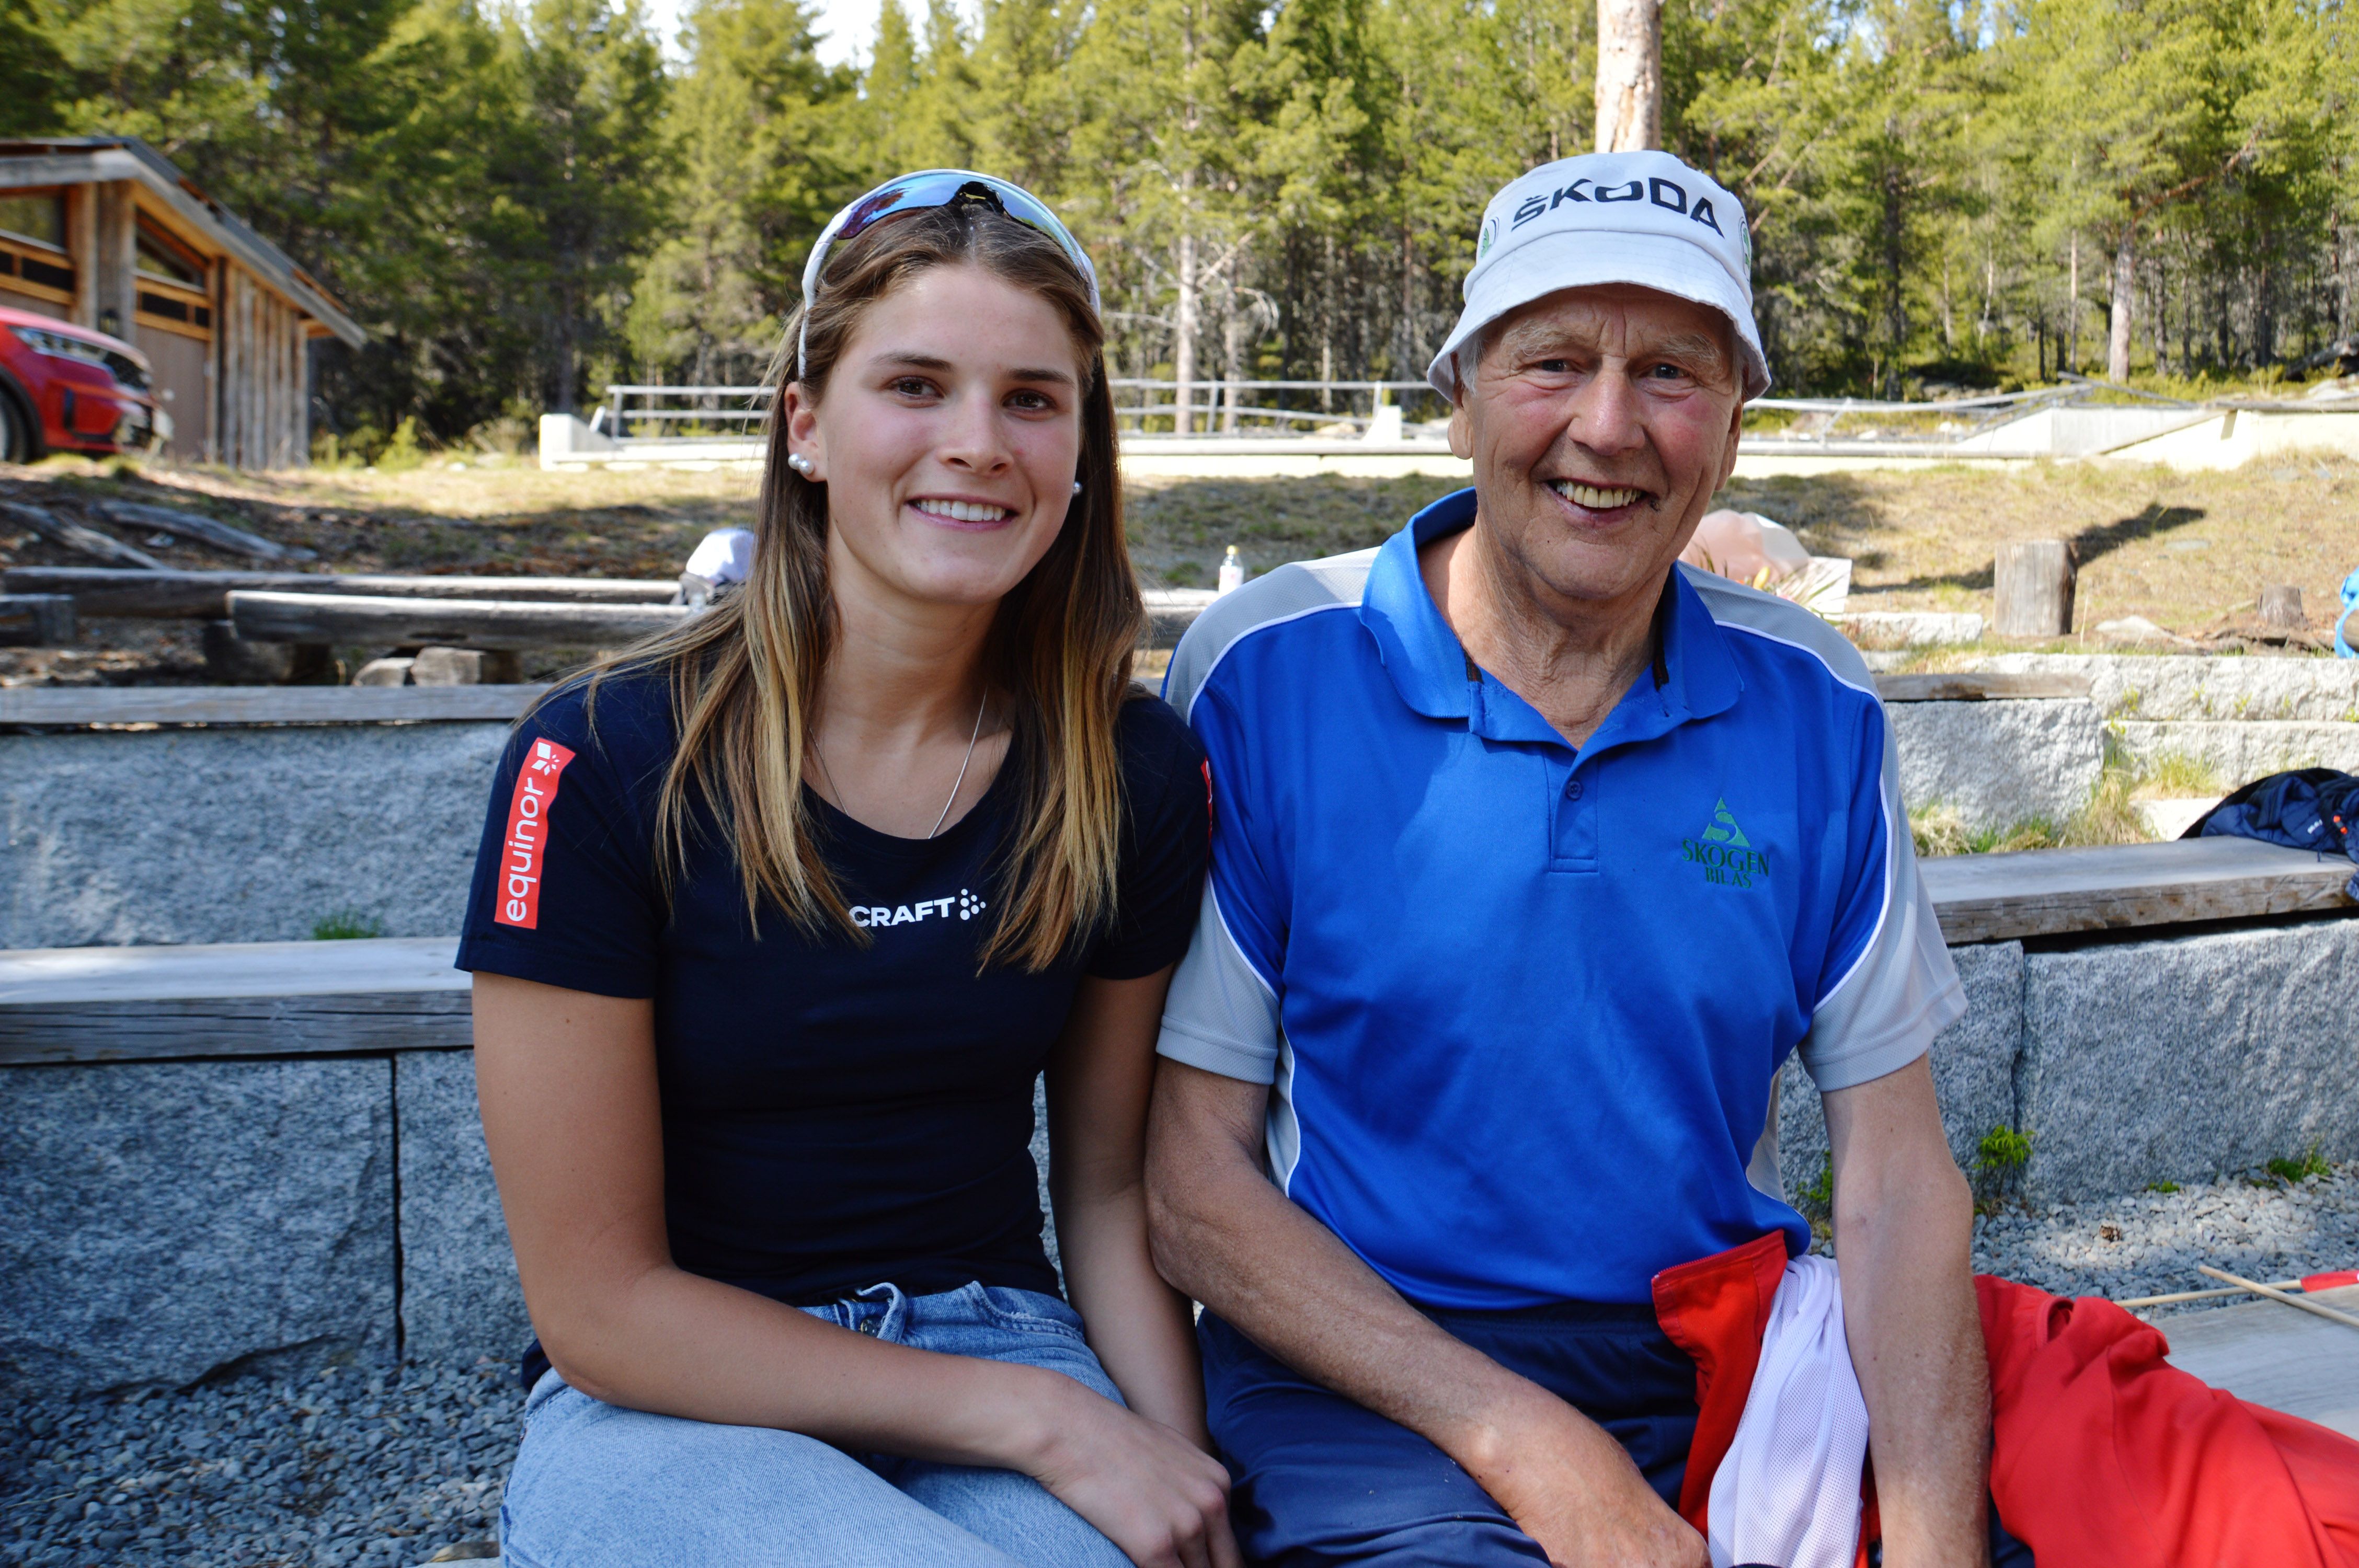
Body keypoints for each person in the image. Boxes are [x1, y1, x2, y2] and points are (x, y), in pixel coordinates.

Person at [1143, 149, 2000, 1567]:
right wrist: (1529, 1443)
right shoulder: (1269, 672)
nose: (1608, 427)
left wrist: (1931, 1542)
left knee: (2192, 1505)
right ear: (1462, 389)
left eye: (1671, 371)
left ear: (1734, 423)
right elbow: (1190, 1185)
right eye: (1553, 361)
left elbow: (1900, 1180)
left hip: (1715, 1347)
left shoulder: (1816, 702)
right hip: (1373, 1381)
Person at [460, 171, 1238, 1568]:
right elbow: (599, 1304)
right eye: (917, 386)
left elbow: (1111, 1199)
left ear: (1079, 451)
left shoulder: (1124, 768)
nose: (978, 443)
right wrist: (1049, 1429)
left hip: (1002, 1337)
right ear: (808, 428)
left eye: (1031, 400)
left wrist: (1185, 1478)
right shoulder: (600, 758)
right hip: (672, 1393)